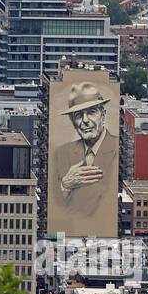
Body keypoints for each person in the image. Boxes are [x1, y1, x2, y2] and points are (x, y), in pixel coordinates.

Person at [50, 81, 114, 232]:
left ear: (103, 115)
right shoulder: (61, 153)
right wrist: (65, 185)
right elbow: (55, 203)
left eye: (91, 112)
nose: (85, 120)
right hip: (70, 230)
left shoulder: (116, 149)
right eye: (78, 115)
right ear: (73, 121)